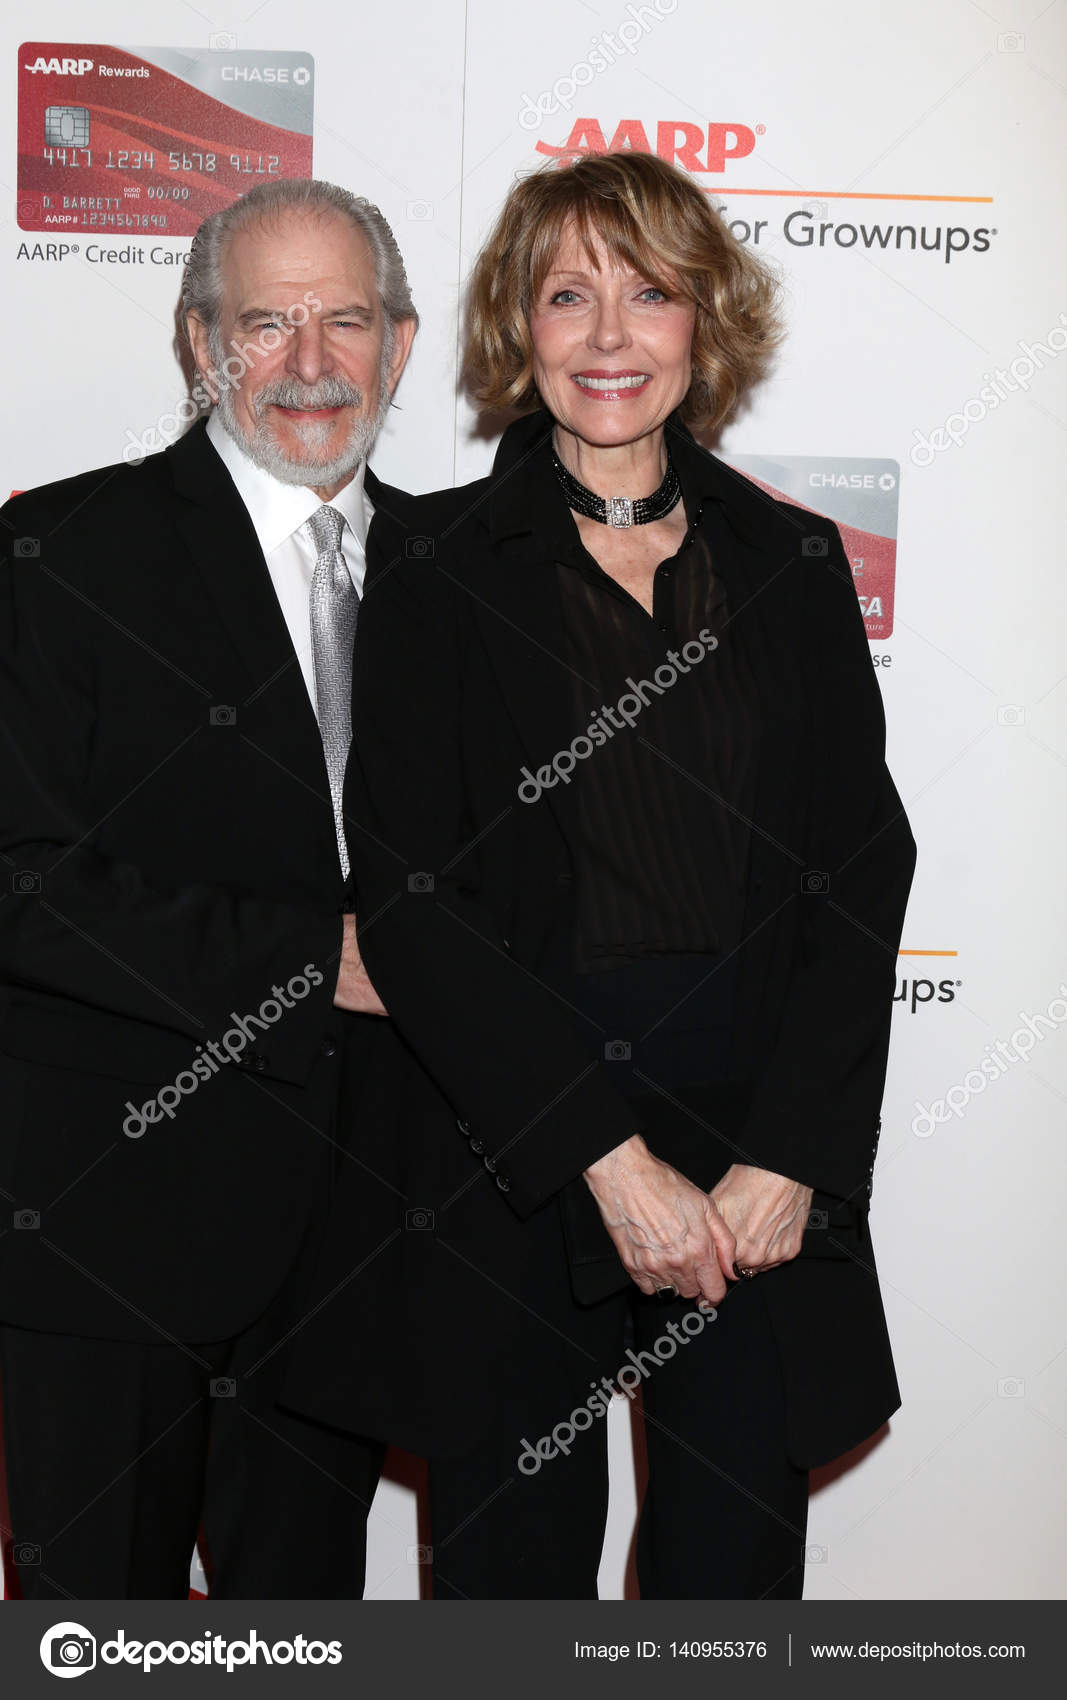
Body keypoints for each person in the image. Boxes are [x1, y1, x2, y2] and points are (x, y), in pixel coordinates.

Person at [285, 150, 916, 1600]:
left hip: (754, 1131)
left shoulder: (793, 560)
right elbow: (415, 896)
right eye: (569, 295)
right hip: (519, 1137)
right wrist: (603, 1161)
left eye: (650, 291)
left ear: (707, 319)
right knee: (514, 1584)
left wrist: (790, 1162)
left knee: (731, 1576)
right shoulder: (433, 564)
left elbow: (855, 874)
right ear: (521, 326)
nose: (612, 334)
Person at [0, 177, 414, 1599]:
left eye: (345, 319)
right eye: (265, 324)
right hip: (111, 1229)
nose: (309, 362)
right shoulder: (60, 555)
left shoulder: (463, 574)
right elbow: (19, 882)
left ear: (402, 346)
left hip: (364, 1235)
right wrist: (316, 964)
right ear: (197, 345)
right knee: (92, 1630)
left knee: (302, 1635)